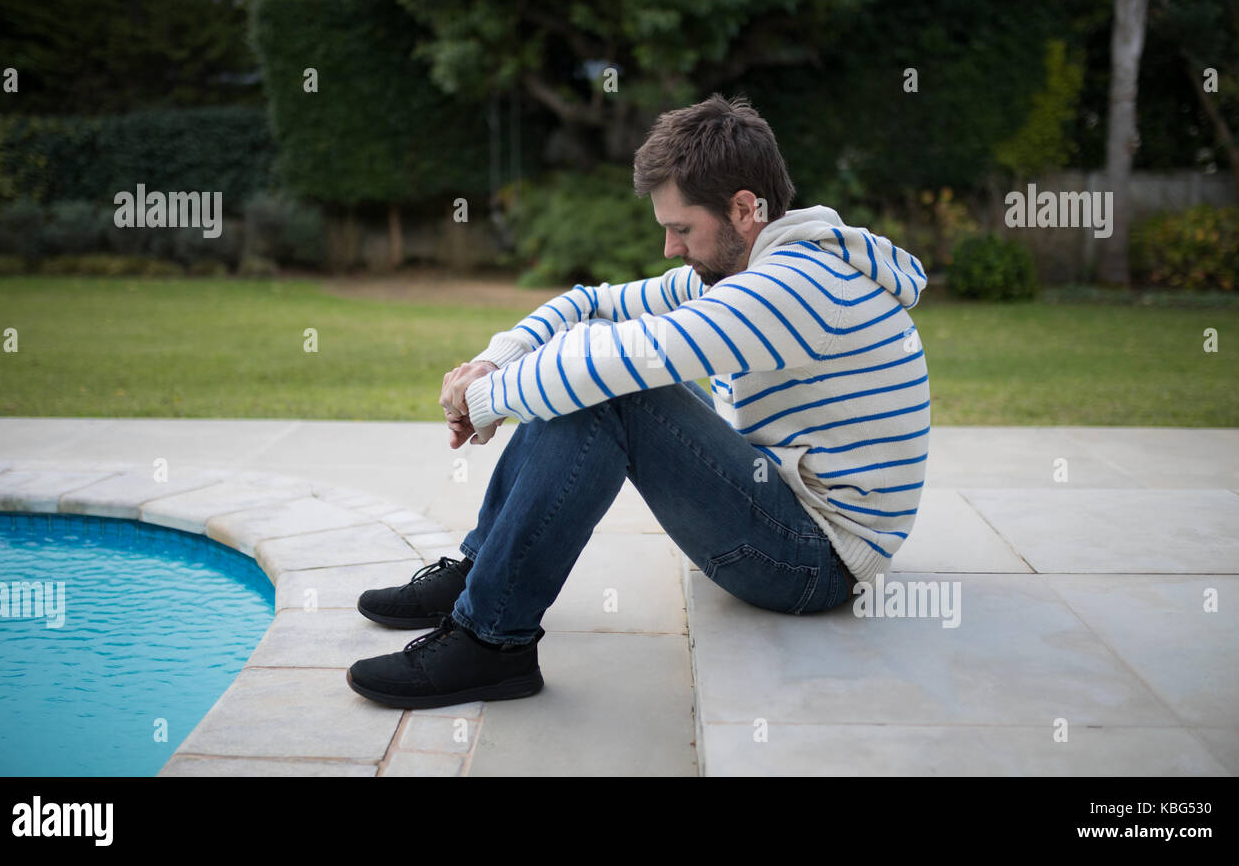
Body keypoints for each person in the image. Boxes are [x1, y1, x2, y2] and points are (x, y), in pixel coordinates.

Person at [346, 93, 930, 710]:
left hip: (815, 561)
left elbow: (620, 361)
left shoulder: (792, 288)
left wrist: (486, 399)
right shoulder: (755, 267)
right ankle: (483, 571)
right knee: (589, 372)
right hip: (789, 512)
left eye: (682, 229)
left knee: (611, 392)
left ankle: (491, 645)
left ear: (742, 209)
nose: (671, 250)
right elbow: (592, 302)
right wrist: (498, 358)